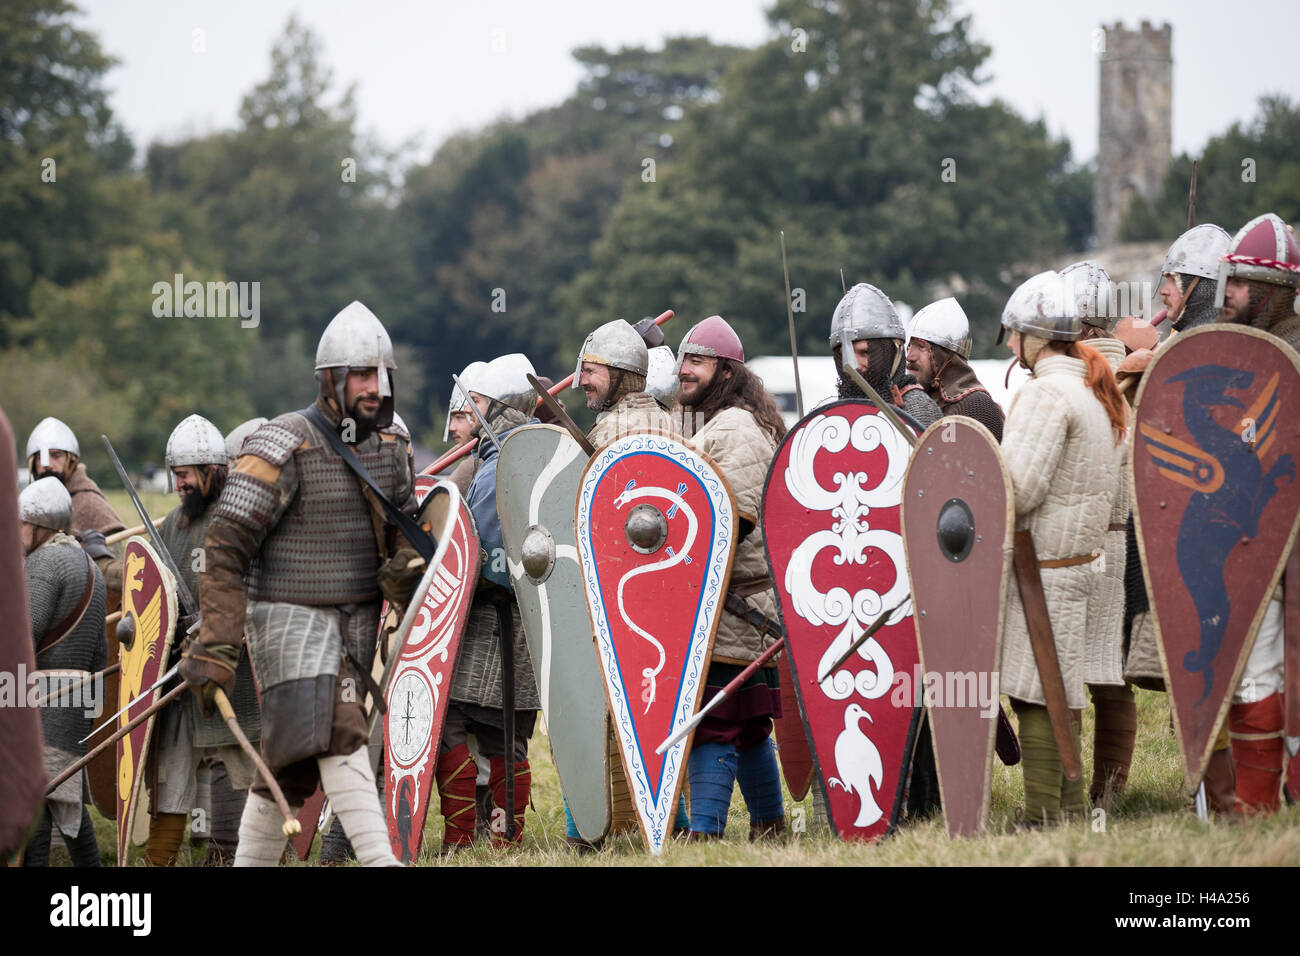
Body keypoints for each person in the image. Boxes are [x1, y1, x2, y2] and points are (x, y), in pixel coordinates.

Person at [182, 300, 417, 867]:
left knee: (286, 771)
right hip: (287, 622)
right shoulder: (282, 444)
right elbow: (227, 545)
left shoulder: (390, 451)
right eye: (361, 374)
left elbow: (410, 530)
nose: (374, 387)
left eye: (381, 374)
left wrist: (407, 568)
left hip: (354, 628)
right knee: (342, 732)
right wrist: (216, 641)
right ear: (330, 379)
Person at [997, 271, 1127, 825]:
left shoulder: (1047, 392)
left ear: (1034, 337)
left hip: (1043, 567)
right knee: (1064, 691)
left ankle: (1041, 815)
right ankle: (1071, 810)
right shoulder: (1094, 390)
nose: (1007, 345)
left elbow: (1019, 489)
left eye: (1013, 334)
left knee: (1034, 694)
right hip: (1080, 565)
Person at [567, 320, 684, 847]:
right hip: (670, 602)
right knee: (662, 709)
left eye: (589, 372)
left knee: (607, 714)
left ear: (620, 374)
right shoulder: (675, 423)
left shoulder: (609, 436)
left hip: (617, 601)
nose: (580, 382)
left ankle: (594, 831)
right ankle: (669, 822)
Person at [675, 314, 787, 839]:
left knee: (714, 723)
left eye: (696, 360)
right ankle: (768, 825)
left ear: (726, 371)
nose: (684, 370)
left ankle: (705, 832)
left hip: (733, 605)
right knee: (745, 725)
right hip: (738, 606)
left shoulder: (737, 429)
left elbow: (731, 523)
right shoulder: (725, 424)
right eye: (683, 359)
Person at [435, 353, 541, 852]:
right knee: (507, 734)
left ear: (500, 406)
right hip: (533, 624)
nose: (470, 413)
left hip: (490, 618)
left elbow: (477, 549)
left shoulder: (500, 461)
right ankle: (505, 840)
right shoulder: (544, 447)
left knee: (448, 720)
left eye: (476, 403)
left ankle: (461, 838)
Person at [143, 414, 260, 866]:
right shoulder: (173, 524)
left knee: (243, 775)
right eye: (176, 476)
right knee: (171, 781)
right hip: (180, 674)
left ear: (213, 472)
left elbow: (264, 588)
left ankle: (248, 856)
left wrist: (225, 624)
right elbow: (153, 593)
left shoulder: (244, 522)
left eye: (186, 477)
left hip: (233, 671)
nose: (179, 485)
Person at [1216, 212, 1300, 813]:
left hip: (1288, 539)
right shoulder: (1249, 356)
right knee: (1258, 668)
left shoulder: (1288, 357)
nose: (1229, 296)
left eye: (1241, 285)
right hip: (1258, 541)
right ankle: (1255, 804)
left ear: (1271, 292)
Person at [1057, 262, 1137, 804]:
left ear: (1081, 328)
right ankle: (1107, 793)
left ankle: (1078, 791)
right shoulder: (1136, 374)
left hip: (1082, 543)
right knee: (1111, 675)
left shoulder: (1077, 384)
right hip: (1125, 541)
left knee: (1070, 674)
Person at [20, 476, 107, 867]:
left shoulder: (42, 563)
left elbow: (24, 634)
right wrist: (90, 708)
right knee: (64, 807)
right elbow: (99, 651)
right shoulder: (91, 566)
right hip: (76, 701)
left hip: (42, 700)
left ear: (39, 525)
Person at [25, 417, 124, 590]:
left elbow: (108, 575)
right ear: (33, 463)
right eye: (42, 457)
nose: (48, 465)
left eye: (56, 456)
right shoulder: (29, 505)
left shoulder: (90, 502)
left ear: (71, 461)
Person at [830, 283, 941, 429]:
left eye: (864, 353)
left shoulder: (919, 409)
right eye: (846, 355)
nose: (854, 365)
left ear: (892, 354)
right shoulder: (832, 417)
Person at [905, 297, 1004, 440]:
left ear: (944, 357)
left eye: (921, 347)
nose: (910, 356)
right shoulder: (918, 401)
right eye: (909, 347)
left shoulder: (976, 406)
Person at [1157, 224, 1232, 333]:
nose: (1163, 291)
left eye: (1174, 280)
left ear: (1201, 290)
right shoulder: (1191, 342)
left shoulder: (1212, 342)